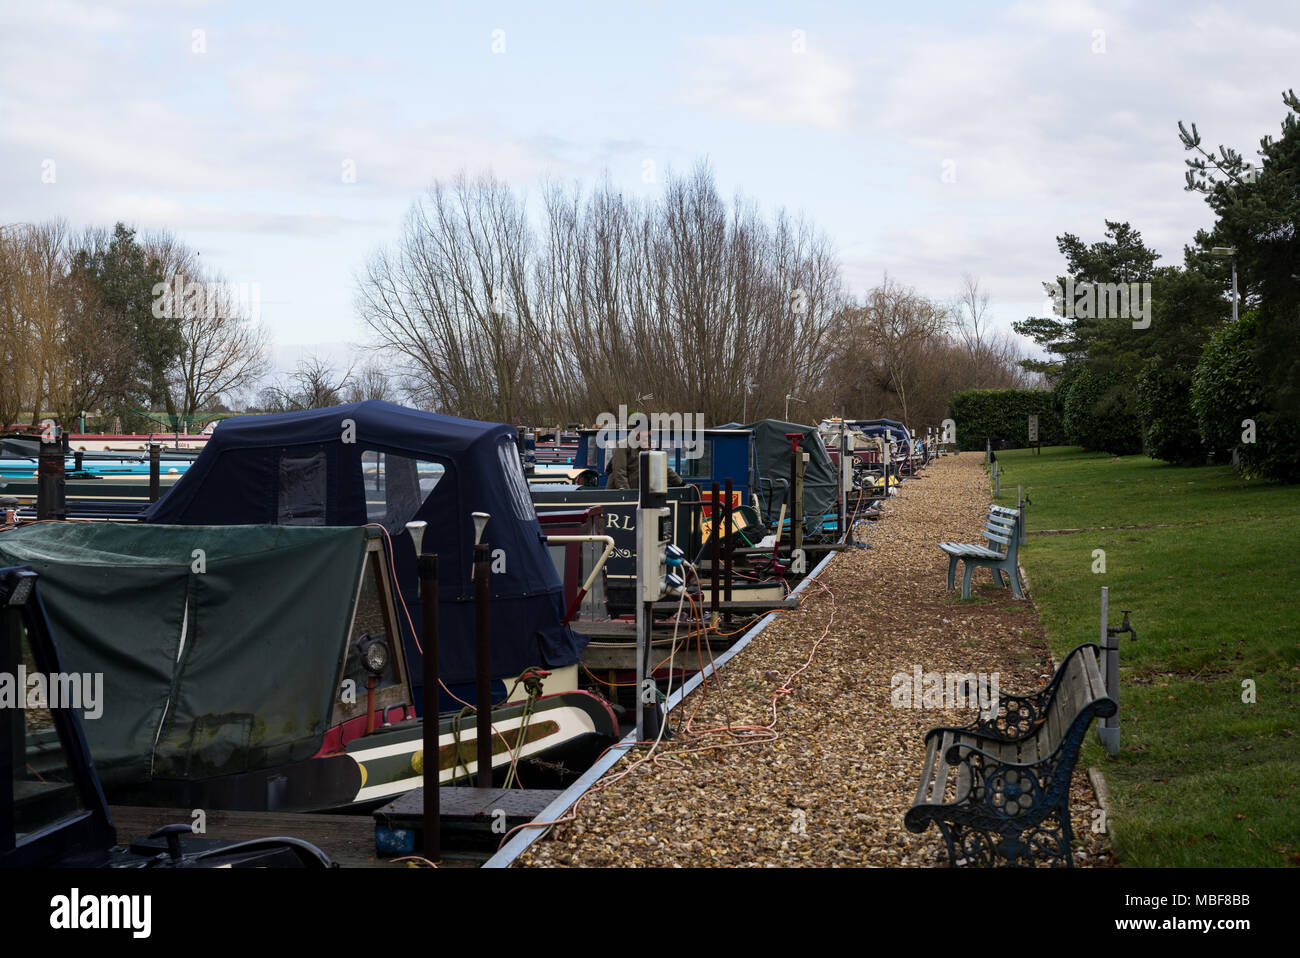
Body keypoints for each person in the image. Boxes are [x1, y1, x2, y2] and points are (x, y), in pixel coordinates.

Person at [606, 419, 684, 489]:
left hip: (637, 493)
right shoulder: (622, 446)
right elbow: (619, 473)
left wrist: (681, 483)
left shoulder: (646, 447)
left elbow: (662, 467)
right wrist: (627, 494)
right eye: (647, 431)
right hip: (619, 495)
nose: (649, 434)